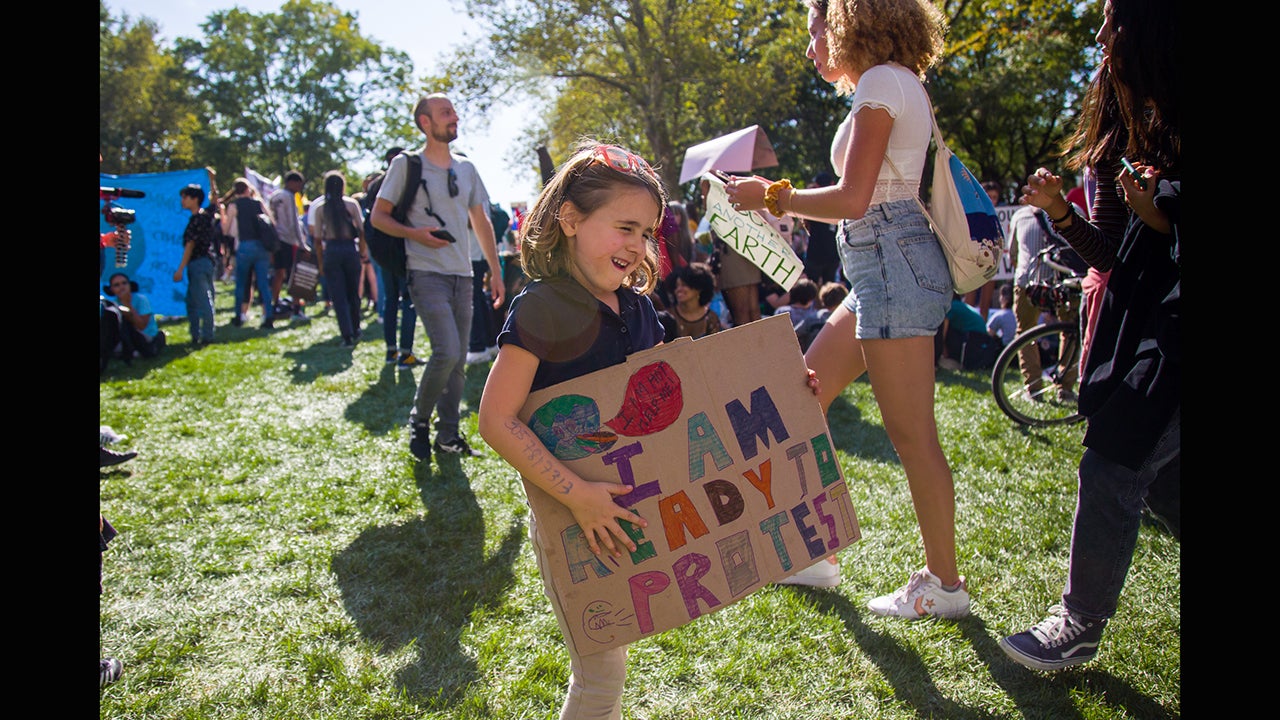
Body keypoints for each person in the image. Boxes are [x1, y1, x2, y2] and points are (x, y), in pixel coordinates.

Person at [478, 141, 819, 719]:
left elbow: (684, 393)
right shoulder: (541, 309)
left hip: (633, 516)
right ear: (570, 219)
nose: (638, 247)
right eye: (625, 228)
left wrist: (783, 385)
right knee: (600, 671)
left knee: (612, 665)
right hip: (571, 518)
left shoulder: (638, 309)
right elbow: (495, 420)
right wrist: (577, 496)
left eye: (647, 233)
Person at [726, 0, 970, 613]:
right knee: (802, 395)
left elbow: (855, 197)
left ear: (846, 24)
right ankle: (815, 550)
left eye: (814, 30)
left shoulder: (884, 82)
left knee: (911, 436)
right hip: (879, 270)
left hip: (892, 266)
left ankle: (944, 585)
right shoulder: (883, 84)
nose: (810, 47)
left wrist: (771, 196)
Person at [999, 0, 1179, 671]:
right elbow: (1112, 255)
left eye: (1113, 19)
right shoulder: (1140, 132)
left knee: (1114, 458)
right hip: (1141, 320)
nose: (1101, 34)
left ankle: (1078, 623)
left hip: (1172, 337)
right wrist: (1059, 216)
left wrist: (1166, 224)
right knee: (1160, 483)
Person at [370, 93, 505, 461]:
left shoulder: (466, 169)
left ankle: (448, 436)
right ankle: (419, 420)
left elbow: (481, 221)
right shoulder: (406, 164)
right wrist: (416, 234)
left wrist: (495, 269)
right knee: (446, 351)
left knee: (458, 358)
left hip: (463, 274)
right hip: (425, 271)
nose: (454, 117)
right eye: (445, 112)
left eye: (454, 111)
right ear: (425, 123)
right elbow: (378, 217)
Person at [1006, 203, 1080, 401]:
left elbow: (1013, 255)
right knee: (1071, 332)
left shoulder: (1020, 216)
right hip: (1066, 280)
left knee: (1026, 333)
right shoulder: (1075, 211)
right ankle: (1065, 388)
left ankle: (1034, 389)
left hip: (1028, 283)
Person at [363, 147, 427, 371]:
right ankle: (405, 354)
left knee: (391, 300)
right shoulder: (404, 181)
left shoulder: (374, 186)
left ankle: (391, 350)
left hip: (383, 253)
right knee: (408, 301)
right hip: (402, 251)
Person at [309, 170, 369, 347]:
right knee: (353, 293)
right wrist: (362, 251)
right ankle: (356, 328)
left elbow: (318, 240)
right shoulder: (351, 205)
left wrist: (321, 263)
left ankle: (347, 334)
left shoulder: (321, 208)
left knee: (339, 296)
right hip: (350, 249)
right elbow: (362, 230)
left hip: (332, 251)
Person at [221, 178, 277, 329]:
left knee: (241, 283)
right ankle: (268, 315)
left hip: (245, 245)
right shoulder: (258, 203)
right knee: (263, 284)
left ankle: (239, 315)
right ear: (248, 189)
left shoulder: (234, 206)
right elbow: (272, 223)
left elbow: (226, 230)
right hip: (262, 247)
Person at [172, 181, 220, 347]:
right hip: (207, 262)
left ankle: (206, 335)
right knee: (192, 302)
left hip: (198, 263)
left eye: (185, 197)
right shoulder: (206, 216)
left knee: (203, 301)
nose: (182, 201)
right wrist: (212, 180)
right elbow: (215, 201)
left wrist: (180, 269)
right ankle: (196, 334)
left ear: (194, 199)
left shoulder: (196, 220)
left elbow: (190, 245)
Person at [268, 170, 311, 324]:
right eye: (299, 183)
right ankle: (296, 309)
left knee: (279, 273)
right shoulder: (289, 197)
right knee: (295, 275)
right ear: (291, 182)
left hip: (276, 240)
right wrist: (302, 244)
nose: (300, 187)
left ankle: (273, 305)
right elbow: (293, 222)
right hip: (288, 240)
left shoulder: (274, 196)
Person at [465, 197, 503, 366]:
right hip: (479, 253)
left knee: (473, 299)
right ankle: (489, 342)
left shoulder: (469, 191)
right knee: (479, 297)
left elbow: (471, 221)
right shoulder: (481, 195)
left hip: (471, 253)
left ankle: (477, 346)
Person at [101, 272, 167, 360]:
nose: (122, 287)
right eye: (117, 285)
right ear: (112, 289)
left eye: (124, 283)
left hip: (145, 336)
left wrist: (127, 305)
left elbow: (142, 326)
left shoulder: (141, 299)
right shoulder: (114, 304)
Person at [657, 261, 723, 341]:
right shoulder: (666, 318)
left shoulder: (711, 318)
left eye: (684, 285)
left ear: (699, 287)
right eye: (677, 286)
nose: (678, 290)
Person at [801, 171, 840, 286]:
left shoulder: (812, 203)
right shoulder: (837, 203)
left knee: (811, 288)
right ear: (832, 183)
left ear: (817, 185)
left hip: (815, 254)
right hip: (832, 253)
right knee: (829, 287)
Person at [986, 282, 1017, 347]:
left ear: (1004, 298)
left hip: (1007, 350)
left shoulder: (1000, 315)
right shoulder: (1021, 314)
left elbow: (988, 334)